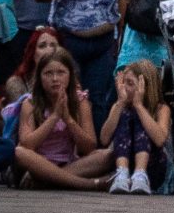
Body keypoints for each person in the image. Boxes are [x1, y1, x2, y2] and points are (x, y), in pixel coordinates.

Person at [9, 48, 109, 190]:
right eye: (48, 73)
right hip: (38, 163)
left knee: (107, 155)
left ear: (70, 76)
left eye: (61, 73)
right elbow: (27, 145)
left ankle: (47, 180)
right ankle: (85, 184)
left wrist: (68, 119)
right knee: (19, 152)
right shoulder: (30, 103)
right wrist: (55, 117)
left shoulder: (80, 101)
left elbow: (89, 147)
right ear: (40, 77)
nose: (55, 79)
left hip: (70, 164)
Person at [100, 58, 169, 194]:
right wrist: (119, 104)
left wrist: (139, 106)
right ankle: (122, 173)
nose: (124, 88)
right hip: (125, 162)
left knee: (139, 117)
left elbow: (160, 139)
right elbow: (104, 139)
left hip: (153, 167)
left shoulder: (162, 108)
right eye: (122, 82)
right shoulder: (119, 105)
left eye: (130, 83)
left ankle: (140, 174)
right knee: (125, 114)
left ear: (145, 87)